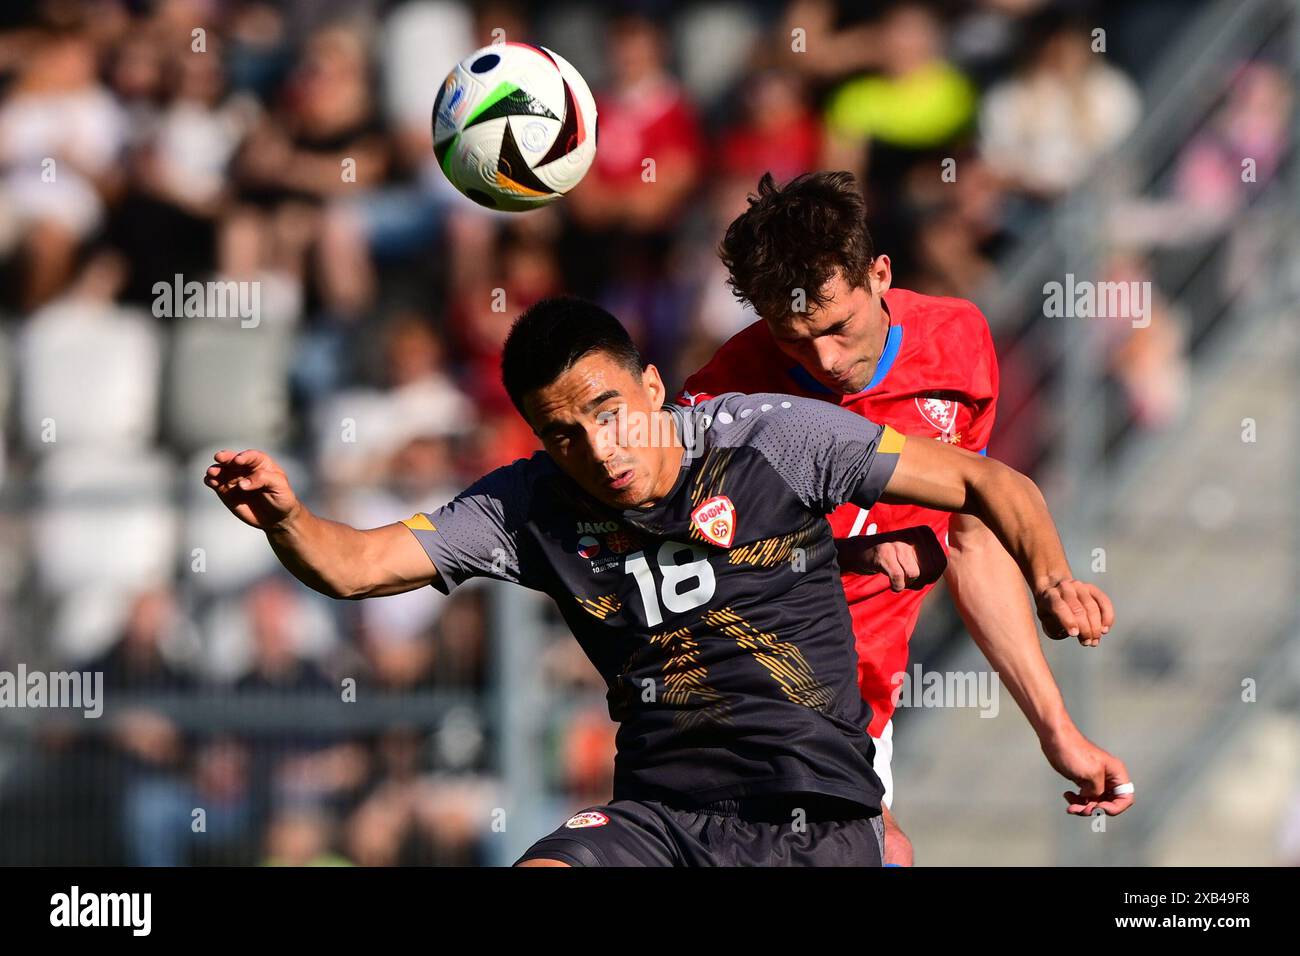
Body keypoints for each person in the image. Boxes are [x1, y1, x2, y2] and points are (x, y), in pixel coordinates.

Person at [205, 296, 1116, 867]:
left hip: (812, 822)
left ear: (652, 387)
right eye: (564, 434)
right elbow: (356, 565)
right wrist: (288, 517)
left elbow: (986, 482)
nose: (600, 451)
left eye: (610, 413)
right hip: (660, 819)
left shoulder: (771, 438)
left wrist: (1050, 581)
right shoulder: (529, 505)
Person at [678, 170, 1136, 864]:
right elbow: (698, 580)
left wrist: (1056, 728)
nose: (825, 360)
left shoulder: (958, 340)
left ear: (880, 274)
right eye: (794, 340)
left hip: (869, 703)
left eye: (838, 327)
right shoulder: (721, 406)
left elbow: (972, 541)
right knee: (882, 853)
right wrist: (850, 555)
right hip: (752, 692)